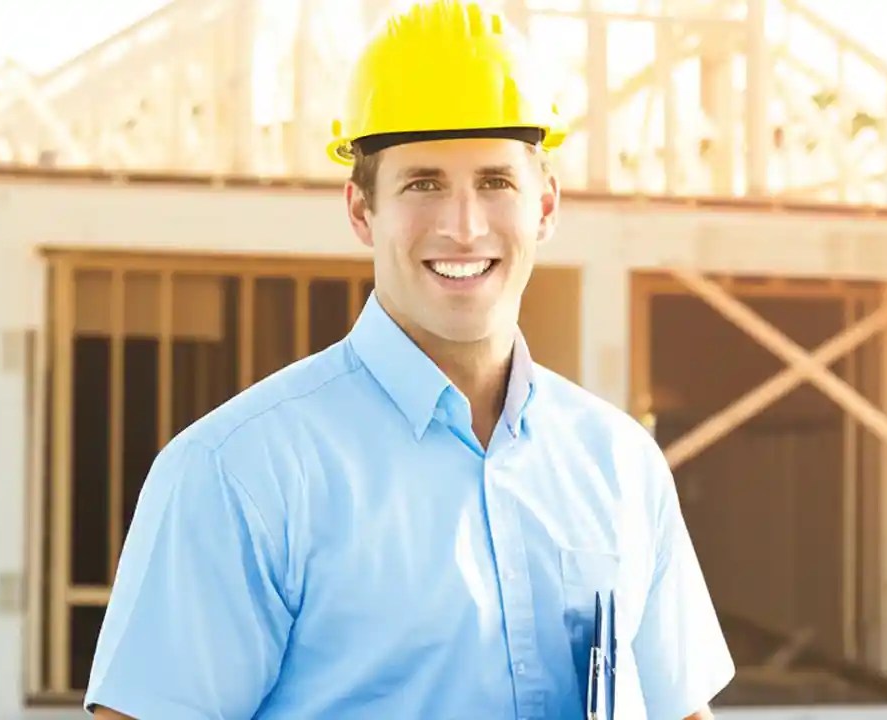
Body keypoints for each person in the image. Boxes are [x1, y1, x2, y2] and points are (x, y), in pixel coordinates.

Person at [84, 1, 734, 717]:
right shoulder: (239, 473)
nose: (463, 226)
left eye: (495, 182)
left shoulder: (622, 466)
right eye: (423, 183)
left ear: (545, 205)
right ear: (361, 210)